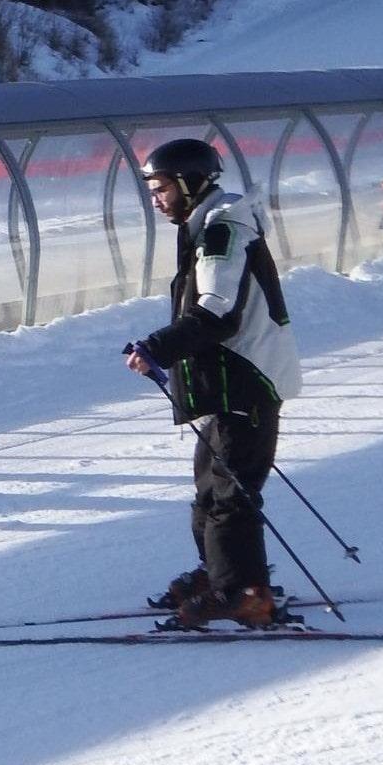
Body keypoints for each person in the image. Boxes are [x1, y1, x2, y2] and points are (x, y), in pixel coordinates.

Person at [126, 138, 302, 629]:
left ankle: (244, 593)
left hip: (247, 380)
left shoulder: (222, 232)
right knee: (210, 485)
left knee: (231, 494)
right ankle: (221, 572)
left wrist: (157, 347)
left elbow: (217, 313)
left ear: (188, 184)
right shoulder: (206, 225)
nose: (156, 199)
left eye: (161, 188)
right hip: (231, 381)